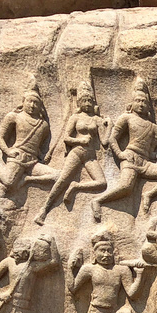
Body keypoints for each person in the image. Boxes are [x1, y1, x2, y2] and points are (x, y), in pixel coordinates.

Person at [90, 77, 157, 220]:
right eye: (138, 101)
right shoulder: (127, 118)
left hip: (145, 162)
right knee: (127, 186)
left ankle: (149, 195)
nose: (141, 104)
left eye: (144, 102)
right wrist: (121, 154)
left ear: (148, 105)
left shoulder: (154, 128)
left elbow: (150, 154)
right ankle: (98, 201)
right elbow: (112, 138)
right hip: (130, 158)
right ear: (132, 103)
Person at [33, 80, 109, 225]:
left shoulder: (96, 119)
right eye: (84, 100)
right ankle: (44, 210)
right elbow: (66, 138)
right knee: (62, 180)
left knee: (102, 183)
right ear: (79, 103)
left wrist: (109, 126)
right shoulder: (75, 118)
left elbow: (104, 142)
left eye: (89, 100)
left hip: (90, 156)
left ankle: (75, 187)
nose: (87, 103)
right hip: (77, 152)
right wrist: (80, 141)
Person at [0, 85, 56, 194]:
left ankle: (27, 180)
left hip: (33, 161)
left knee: (57, 175)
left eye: (36, 103)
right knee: (8, 182)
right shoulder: (14, 117)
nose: (32, 105)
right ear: (23, 102)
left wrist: (42, 155)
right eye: (29, 101)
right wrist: (8, 151)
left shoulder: (44, 125)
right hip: (18, 157)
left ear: (40, 106)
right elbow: (0, 137)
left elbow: (42, 145)